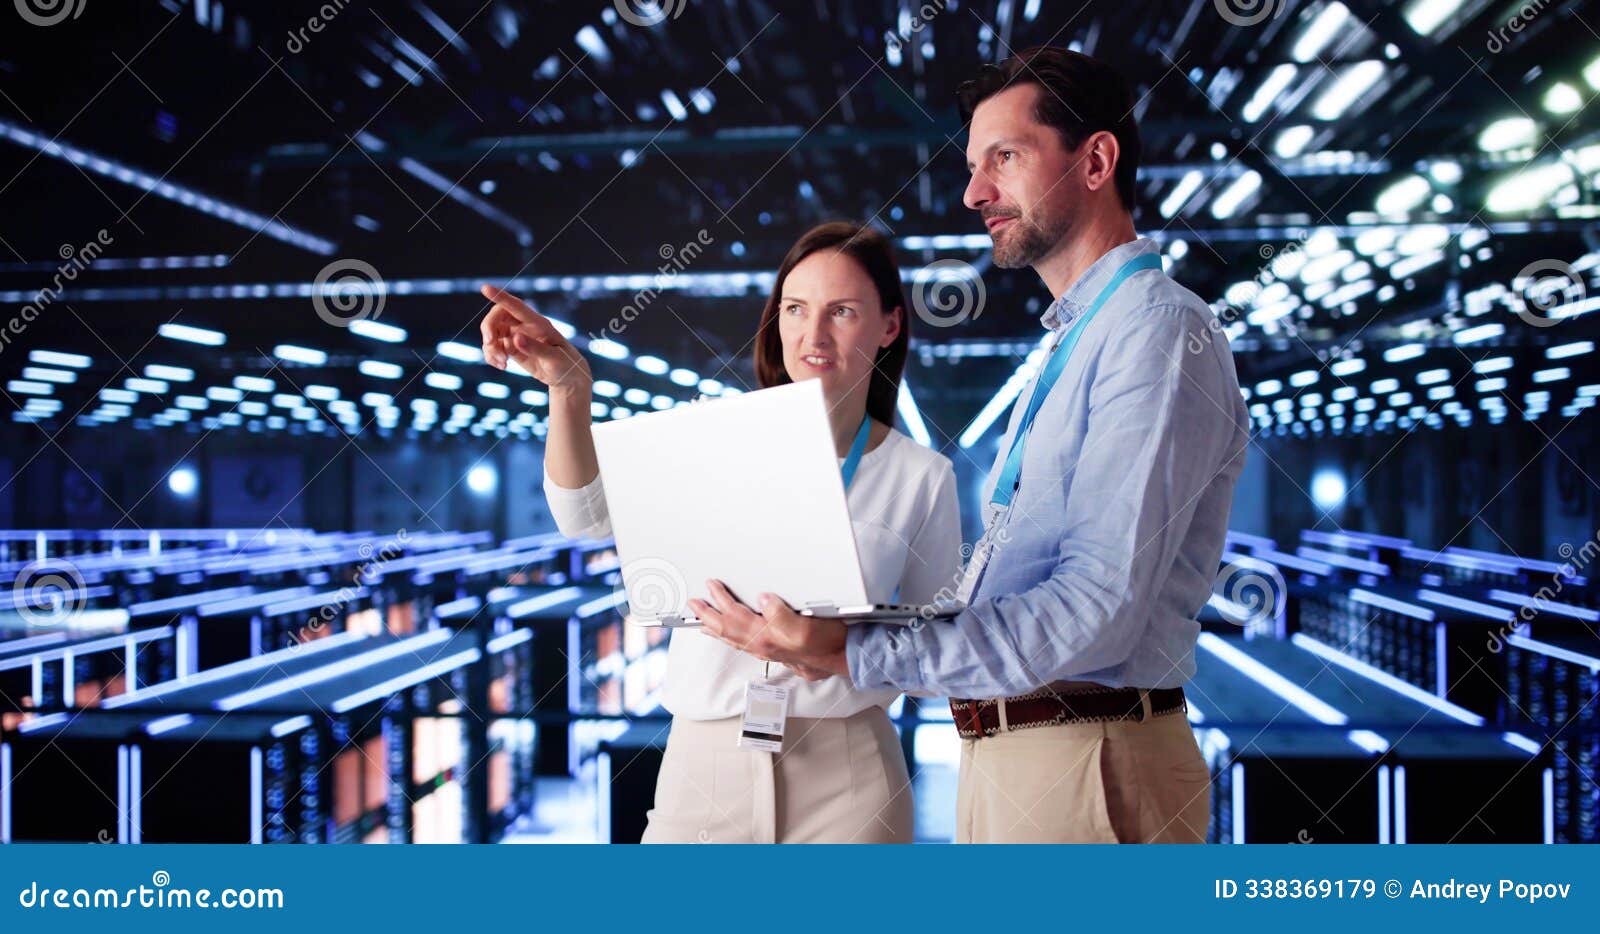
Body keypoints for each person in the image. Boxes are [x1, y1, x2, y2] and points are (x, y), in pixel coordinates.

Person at [696, 47, 1250, 844]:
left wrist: (855, 653)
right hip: (1025, 755)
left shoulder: (1157, 331)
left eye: (1006, 158)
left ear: (1096, 160)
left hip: (1087, 758)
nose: (973, 191)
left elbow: (1095, 611)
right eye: (973, 164)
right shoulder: (1076, 342)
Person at [477, 221, 962, 843]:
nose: (812, 335)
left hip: (847, 775)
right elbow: (584, 519)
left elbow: (935, 660)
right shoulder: (709, 443)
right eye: (795, 308)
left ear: (890, 326)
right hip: (705, 766)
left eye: (841, 311)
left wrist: (835, 648)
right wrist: (570, 389)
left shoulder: (920, 477)